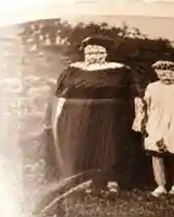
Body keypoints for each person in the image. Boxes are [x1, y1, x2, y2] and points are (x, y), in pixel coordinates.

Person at [49, 36, 143, 196]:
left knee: (111, 145)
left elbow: (135, 95)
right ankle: (85, 181)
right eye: (89, 52)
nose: (93, 56)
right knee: (84, 145)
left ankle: (112, 180)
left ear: (105, 53)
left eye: (98, 52)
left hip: (112, 115)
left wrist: (139, 116)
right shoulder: (72, 70)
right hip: (78, 115)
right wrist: (56, 115)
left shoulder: (121, 70)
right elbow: (60, 95)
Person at [141, 60, 174, 197]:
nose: (166, 77)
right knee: (156, 153)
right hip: (156, 121)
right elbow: (147, 105)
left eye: (170, 74)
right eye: (162, 74)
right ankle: (160, 185)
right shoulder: (152, 87)